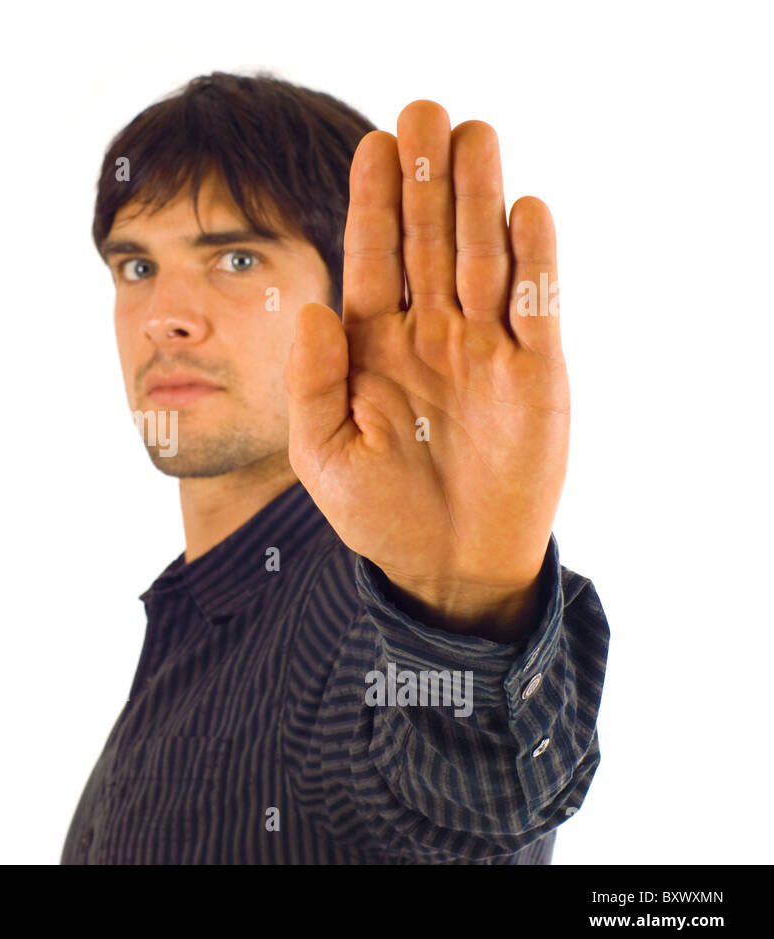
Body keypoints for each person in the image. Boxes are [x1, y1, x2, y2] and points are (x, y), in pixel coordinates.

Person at [61, 72, 610, 864]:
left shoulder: (360, 613)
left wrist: (464, 608)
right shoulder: (193, 619)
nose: (163, 316)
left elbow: (477, 789)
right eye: (137, 267)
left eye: (238, 259)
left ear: (355, 295)